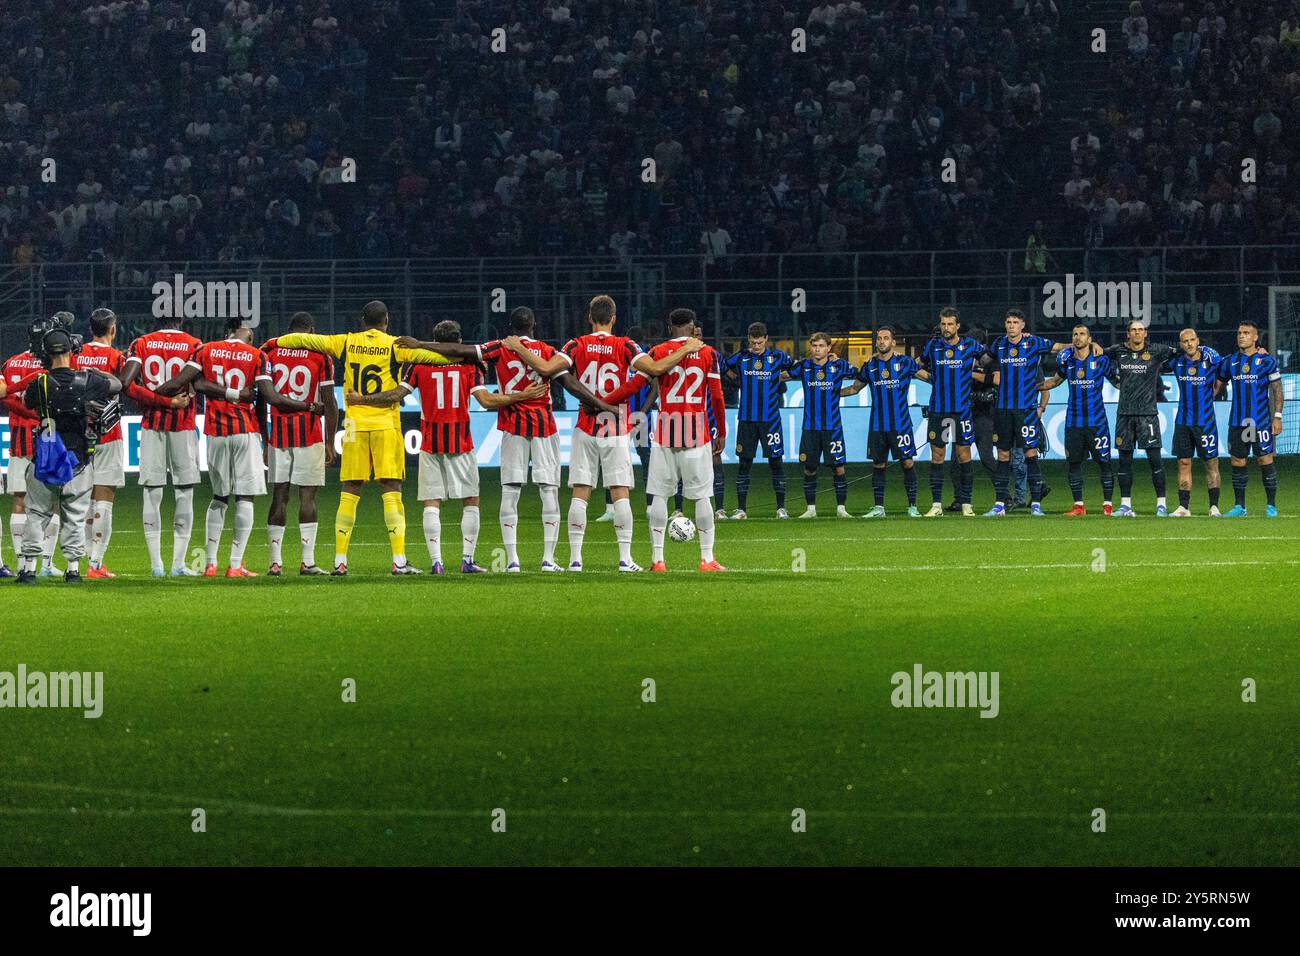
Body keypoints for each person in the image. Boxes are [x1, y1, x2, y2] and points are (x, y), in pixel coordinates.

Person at [275, 300, 481, 575]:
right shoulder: (395, 345)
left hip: (355, 426)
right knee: (391, 489)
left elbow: (303, 339)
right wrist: (465, 355)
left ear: (362, 320)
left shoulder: (346, 342)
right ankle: (398, 561)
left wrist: (277, 341)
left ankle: (339, 561)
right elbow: (437, 357)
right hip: (385, 424)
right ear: (387, 320)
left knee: (349, 490)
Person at [499, 295, 696, 571]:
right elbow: (656, 370)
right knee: (620, 492)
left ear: (589, 317)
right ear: (614, 318)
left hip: (585, 424)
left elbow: (545, 369)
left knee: (580, 493)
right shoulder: (626, 345)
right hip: (614, 426)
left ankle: (575, 560)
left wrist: (517, 346)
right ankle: (625, 559)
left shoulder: (575, 344)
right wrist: (686, 349)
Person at [156, 318, 320, 576]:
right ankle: (235, 564)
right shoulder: (257, 356)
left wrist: (152, 394)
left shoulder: (206, 350)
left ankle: (210, 563)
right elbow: (271, 396)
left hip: (215, 432)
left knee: (219, 497)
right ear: (243, 333)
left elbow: (195, 384)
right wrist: (309, 407)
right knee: (245, 497)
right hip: (245, 431)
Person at [480, 305, 614, 572]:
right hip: (544, 426)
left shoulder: (499, 347)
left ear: (511, 327)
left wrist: (424, 345)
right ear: (534, 325)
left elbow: (461, 351)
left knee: (510, 490)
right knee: (548, 490)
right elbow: (570, 384)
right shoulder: (548, 352)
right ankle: (548, 559)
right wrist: (600, 403)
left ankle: (513, 561)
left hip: (512, 425)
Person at [602, 308, 727, 571]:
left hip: (665, 431)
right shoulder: (707, 353)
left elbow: (634, 385)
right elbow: (716, 397)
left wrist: (603, 401)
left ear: (670, 327)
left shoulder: (658, 353)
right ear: (693, 328)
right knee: (703, 496)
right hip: (696, 431)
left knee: (659, 496)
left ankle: (658, 560)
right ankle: (707, 559)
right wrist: (722, 432)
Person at [13, 317, 122, 584]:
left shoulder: (39, 383)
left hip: (45, 458)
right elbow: (118, 385)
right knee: (75, 513)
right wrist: (92, 372)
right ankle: (73, 569)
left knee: (36, 513)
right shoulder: (87, 380)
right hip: (78, 459)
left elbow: (27, 403)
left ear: (47, 352)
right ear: (72, 350)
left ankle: (28, 568)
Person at [261, 313, 340, 574]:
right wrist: (330, 442)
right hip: (309, 434)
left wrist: (264, 439)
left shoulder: (270, 352)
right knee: (307, 496)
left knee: (279, 495)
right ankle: (307, 561)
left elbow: (262, 399)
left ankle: (275, 562)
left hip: (279, 434)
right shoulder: (320, 356)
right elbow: (329, 401)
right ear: (312, 330)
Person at [841, 326, 920, 516]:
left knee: (907, 463)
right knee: (878, 465)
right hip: (877, 424)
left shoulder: (905, 363)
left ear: (893, 342)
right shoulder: (870, 366)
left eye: (886, 338)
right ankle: (879, 508)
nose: (882, 341)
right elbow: (854, 389)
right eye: (879, 338)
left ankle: (912, 506)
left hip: (900, 424)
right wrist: (830, 393)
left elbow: (928, 377)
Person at [1104, 320, 1178, 516]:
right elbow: (1095, 354)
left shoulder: (1157, 350)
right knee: (1124, 461)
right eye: (1133, 330)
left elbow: (1182, 351)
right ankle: (1125, 505)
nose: (1137, 333)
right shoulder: (1117, 351)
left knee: (1155, 460)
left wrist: (1202, 349)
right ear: (1127, 333)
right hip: (1124, 414)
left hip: (1148, 415)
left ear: (1145, 333)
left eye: (1141, 330)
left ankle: (1161, 504)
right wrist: (1113, 379)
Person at [1039, 325, 1114, 514]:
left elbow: (1117, 381)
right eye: (1074, 334)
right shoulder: (1067, 361)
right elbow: (1054, 381)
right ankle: (1078, 505)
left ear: (1089, 339)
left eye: (1082, 334)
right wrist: (1030, 388)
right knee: (1074, 463)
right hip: (1073, 422)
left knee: (1104, 463)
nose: (1077, 337)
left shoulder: (1101, 360)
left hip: (1097, 422)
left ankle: (1107, 505)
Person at [722, 322, 792, 519]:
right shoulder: (742, 357)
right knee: (745, 463)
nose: (756, 346)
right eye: (753, 342)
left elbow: (796, 368)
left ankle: (781, 508)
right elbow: (722, 366)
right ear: (748, 339)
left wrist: (777, 378)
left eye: (759, 342)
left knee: (775, 462)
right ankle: (741, 509)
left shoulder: (777, 357)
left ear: (766, 339)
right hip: (747, 420)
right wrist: (736, 379)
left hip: (770, 420)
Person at [784, 332, 856, 519]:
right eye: (815, 346)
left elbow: (862, 375)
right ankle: (810, 509)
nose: (818, 349)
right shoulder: (803, 366)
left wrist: (846, 391)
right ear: (811, 347)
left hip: (833, 427)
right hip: (810, 427)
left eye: (822, 346)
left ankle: (841, 508)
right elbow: (782, 376)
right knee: (810, 468)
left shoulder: (839, 365)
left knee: (838, 468)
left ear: (828, 348)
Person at [1216, 321, 1283, 517]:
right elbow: (1217, 386)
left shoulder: (1267, 361)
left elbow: (1277, 390)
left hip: (1260, 421)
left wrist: (1277, 417)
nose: (1241, 336)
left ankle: (1271, 505)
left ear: (1255, 337)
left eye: (1246, 333)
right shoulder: (1229, 361)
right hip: (1238, 422)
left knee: (1265, 459)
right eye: (1239, 333)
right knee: (1238, 461)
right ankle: (1240, 506)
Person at [1167, 328, 1222, 516]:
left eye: (1192, 340)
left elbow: (1228, 370)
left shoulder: (1212, 360)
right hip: (1183, 421)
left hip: (1206, 422)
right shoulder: (1176, 362)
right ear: (1181, 344)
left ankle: (1214, 506)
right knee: (1183, 463)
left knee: (1211, 463)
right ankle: (1183, 507)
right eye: (1185, 341)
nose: (1189, 344)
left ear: (1198, 341)